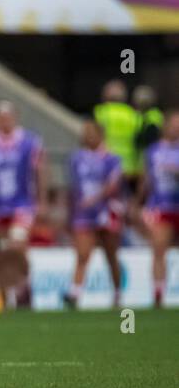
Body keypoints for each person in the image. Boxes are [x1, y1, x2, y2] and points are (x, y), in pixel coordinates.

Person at [0, 101, 43, 308]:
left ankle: (23, 288)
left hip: (22, 204)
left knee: (17, 245)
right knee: (3, 253)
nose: (5, 121)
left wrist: (41, 200)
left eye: (8, 117)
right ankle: (9, 295)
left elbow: (40, 171)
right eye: (1, 117)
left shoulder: (29, 142)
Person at [65, 120, 124, 308]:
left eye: (91, 132)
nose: (87, 136)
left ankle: (117, 293)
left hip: (106, 212)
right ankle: (74, 294)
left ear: (100, 135)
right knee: (82, 254)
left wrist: (95, 199)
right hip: (83, 213)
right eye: (85, 132)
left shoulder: (112, 158)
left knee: (111, 255)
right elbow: (72, 187)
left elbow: (113, 184)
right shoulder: (76, 159)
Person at [138, 109, 179, 309]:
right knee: (158, 249)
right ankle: (158, 293)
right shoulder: (152, 151)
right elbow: (146, 179)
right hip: (161, 206)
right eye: (174, 125)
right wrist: (139, 203)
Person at [95, 80, 141, 190]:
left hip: (107, 165)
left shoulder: (101, 112)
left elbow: (94, 137)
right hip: (130, 167)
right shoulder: (133, 114)